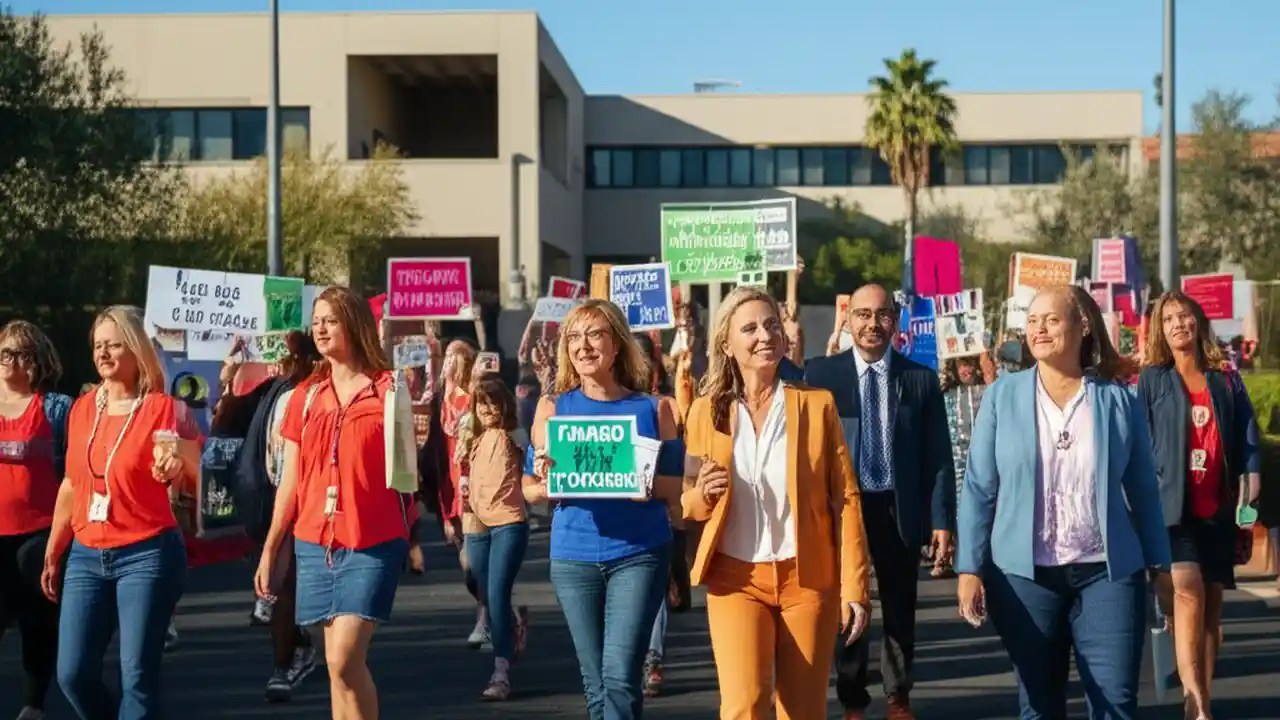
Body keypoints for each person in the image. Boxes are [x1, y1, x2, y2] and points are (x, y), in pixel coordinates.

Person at [957, 285, 1171, 720]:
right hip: (1024, 578)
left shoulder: (1117, 401)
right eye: (1032, 321)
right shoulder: (1003, 396)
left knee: (1115, 704)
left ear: (1083, 326)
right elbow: (980, 487)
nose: (1039, 329)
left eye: (1051, 319)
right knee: (1039, 704)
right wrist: (969, 568)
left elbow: (1145, 489)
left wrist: (1161, 566)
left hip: (1107, 575)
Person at [682, 286, 872, 720]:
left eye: (771, 324)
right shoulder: (704, 412)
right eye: (749, 328)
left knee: (802, 711)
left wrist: (855, 588)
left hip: (806, 578)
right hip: (735, 579)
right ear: (727, 344)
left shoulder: (816, 405)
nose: (765, 335)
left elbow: (846, 498)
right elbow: (689, 504)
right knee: (744, 705)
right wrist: (702, 494)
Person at [254, 287, 415, 720]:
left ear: (355, 324)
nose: (321, 328)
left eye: (331, 320)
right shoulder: (305, 397)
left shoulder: (388, 389)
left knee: (344, 659)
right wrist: (272, 547)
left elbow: (407, 471)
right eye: (317, 320)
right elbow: (289, 481)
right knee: (334, 669)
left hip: (372, 538)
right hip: (315, 543)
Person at [526, 298, 684, 720]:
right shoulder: (553, 409)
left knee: (619, 679)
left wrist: (644, 483)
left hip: (639, 554)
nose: (583, 346)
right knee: (595, 682)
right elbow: (527, 488)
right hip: (573, 557)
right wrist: (543, 483)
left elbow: (681, 490)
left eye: (595, 334)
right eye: (574, 337)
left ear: (617, 345)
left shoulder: (655, 408)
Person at [42, 305, 200, 719]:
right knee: (72, 674)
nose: (104, 353)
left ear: (136, 350)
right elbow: (72, 484)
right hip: (86, 554)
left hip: (146, 554)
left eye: (114, 344)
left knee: (138, 677)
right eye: (98, 345)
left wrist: (175, 466)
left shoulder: (162, 408)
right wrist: (55, 549)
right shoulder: (82, 410)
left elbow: (187, 465)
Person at [804, 284, 954, 720]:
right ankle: (853, 700)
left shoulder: (919, 379)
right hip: (843, 509)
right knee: (849, 604)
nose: (873, 324)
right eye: (864, 315)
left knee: (899, 603)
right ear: (848, 319)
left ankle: (898, 696)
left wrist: (942, 520)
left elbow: (938, 456)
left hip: (897, 506)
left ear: (896, 320)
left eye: (883, 315)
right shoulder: (820, 376)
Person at [1138, 290, 1261, 720]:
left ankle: (1197, 697)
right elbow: (1137, 441)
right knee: (1187, 589)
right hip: (1169, 508)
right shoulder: (1153, 378)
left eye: (1184, 316)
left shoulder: (1225, 377)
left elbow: (1247, 436)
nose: (1178, 324)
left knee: (1209, 610)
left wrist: (1251, 488)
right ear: (1160, 329)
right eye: (1169, 318)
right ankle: (1200, 702)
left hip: (1218, 508)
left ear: (1198, 321)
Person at [236, 331, 322, 703]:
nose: (280, 365)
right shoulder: (274, 392)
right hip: (280, 500)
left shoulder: (320, 395)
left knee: (306, 588)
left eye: (288, 358)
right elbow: (231, 414)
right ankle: (283, 664)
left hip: (319, 505)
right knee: (281, 583)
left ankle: (304, 648)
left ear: (306, 359)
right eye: (277, 358)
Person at [0, 321, 71, 720]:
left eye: (25, 355)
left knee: (37, 620)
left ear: (40, 362)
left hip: (39, 532)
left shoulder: (56, 408)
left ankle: (33, 704)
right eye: (7, 354)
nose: (15, 362)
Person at [460, 374, 531, 701]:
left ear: (504, 403)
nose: (487, 409)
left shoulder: (513, 435)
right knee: (481, 589)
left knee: (497, 593)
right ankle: (512, 626)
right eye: (481, 403)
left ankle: (500, 671)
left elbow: (532, 462)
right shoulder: (473, 439)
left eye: (492, 402)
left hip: (509, 523)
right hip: (476, 522)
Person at [934, 355, 993, 578]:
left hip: (985, 463)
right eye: (962, 365)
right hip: (956, 463)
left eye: (970, 364)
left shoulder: (990, 391)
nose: (967, 370)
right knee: (960, 510)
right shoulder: (948, 396)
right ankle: (956, 555)